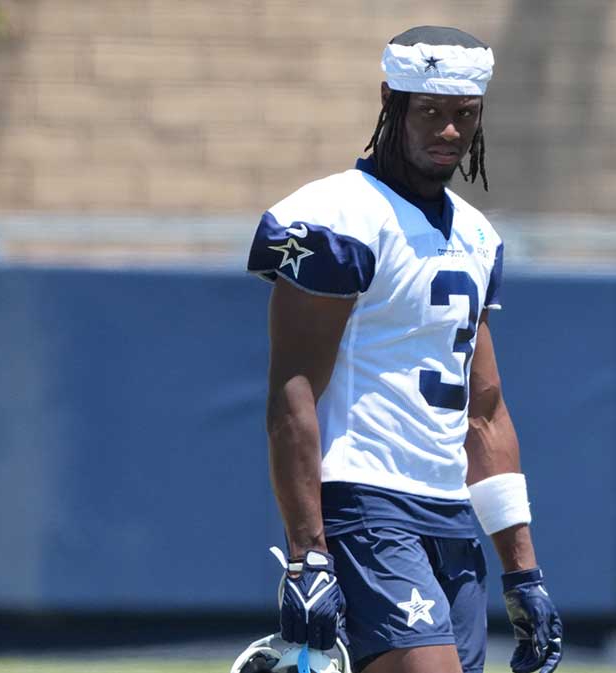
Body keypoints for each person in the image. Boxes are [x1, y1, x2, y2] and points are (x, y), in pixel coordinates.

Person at [246, 25, 562, 673]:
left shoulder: (477, 236)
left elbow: (485, 413)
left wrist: (523, 571)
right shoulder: (337, 216)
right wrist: (309, 553)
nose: (449, 131)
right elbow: (292, 391)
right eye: (431, 112)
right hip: (364, 502)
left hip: (450, 515)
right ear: (391, 100)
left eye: (464, 115)